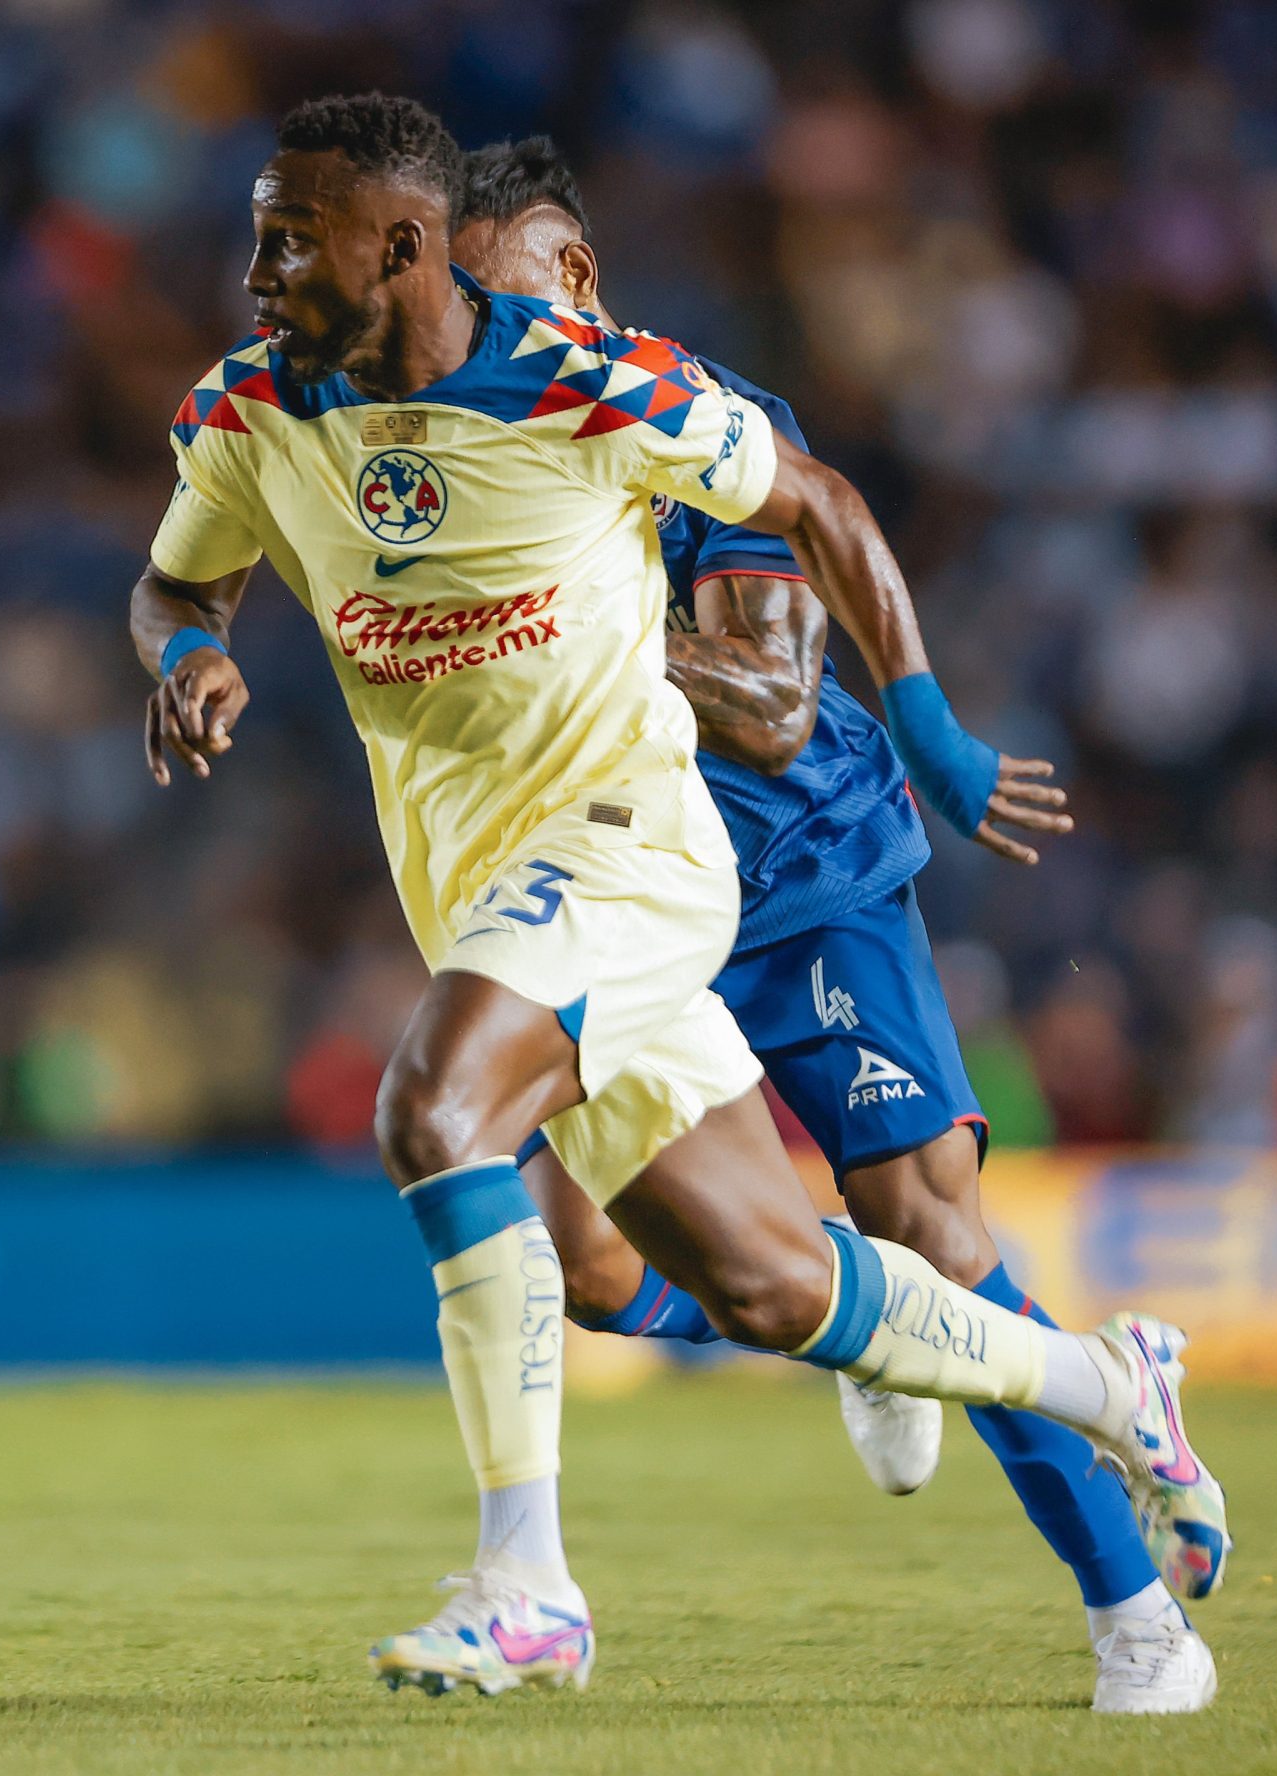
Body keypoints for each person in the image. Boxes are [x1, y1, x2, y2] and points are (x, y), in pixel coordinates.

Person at [131, 94, 1227, 1700]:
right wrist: (193, 648)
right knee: (760, 1282)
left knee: (443, 1114)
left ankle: (547, 1586)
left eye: (291, 236)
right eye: (261, 233)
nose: (258, 266)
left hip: (731, 854)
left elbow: (788, 667)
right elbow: (178, 576)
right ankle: (1109, 1384)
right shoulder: (257, 407)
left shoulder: (632, 393)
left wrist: (923, 727)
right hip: (501, 884)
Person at [447, 135, 1214, 1714]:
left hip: (796, 876)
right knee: (594, 1276)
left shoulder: (697, 423)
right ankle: (873, 1330)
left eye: (500, 295)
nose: (481, 336)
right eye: (457, 308)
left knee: (937, 1232)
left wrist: (591, 638)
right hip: (610, 893)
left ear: (574, 279)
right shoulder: (457, 444)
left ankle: (1137, 1618)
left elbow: (784, 709)